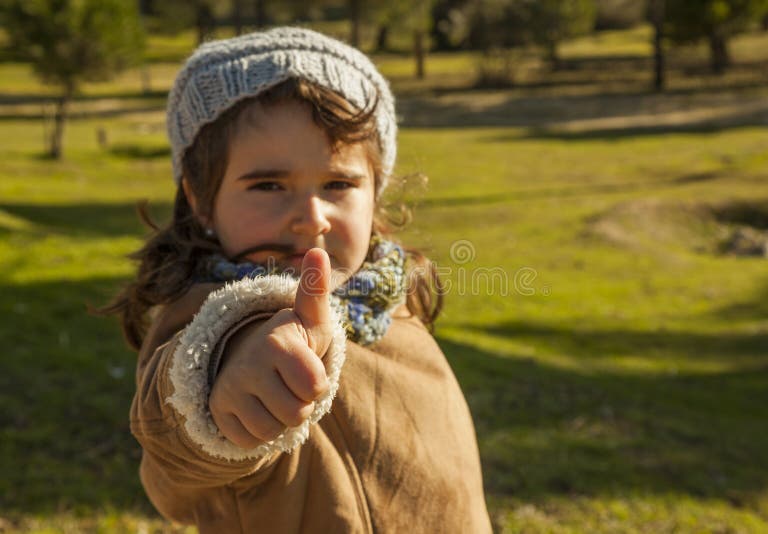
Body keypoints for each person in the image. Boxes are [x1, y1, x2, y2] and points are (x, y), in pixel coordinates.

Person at [105, 27, 491, 533]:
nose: (312, 218)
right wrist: (229, 370)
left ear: (376, 192)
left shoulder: (392, 299)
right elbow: (174, 455)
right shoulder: (202, 319)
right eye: (268, 185)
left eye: (337, 184)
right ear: (200, 198)